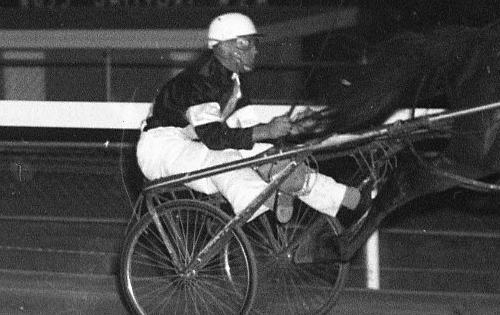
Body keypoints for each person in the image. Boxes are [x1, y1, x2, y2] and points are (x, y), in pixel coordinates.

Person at [135, 12, 364, 227]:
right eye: (248, 43)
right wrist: (267, 131)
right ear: (225, 46)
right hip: (161, 148)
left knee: (273, 156)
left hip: (194, 145)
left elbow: (251, 131)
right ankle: (267, 201)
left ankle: (341, 196)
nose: (255, 51)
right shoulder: (197, 82)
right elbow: (215, 138)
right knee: (224, 158)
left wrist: (289, 129)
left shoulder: (233, 83)